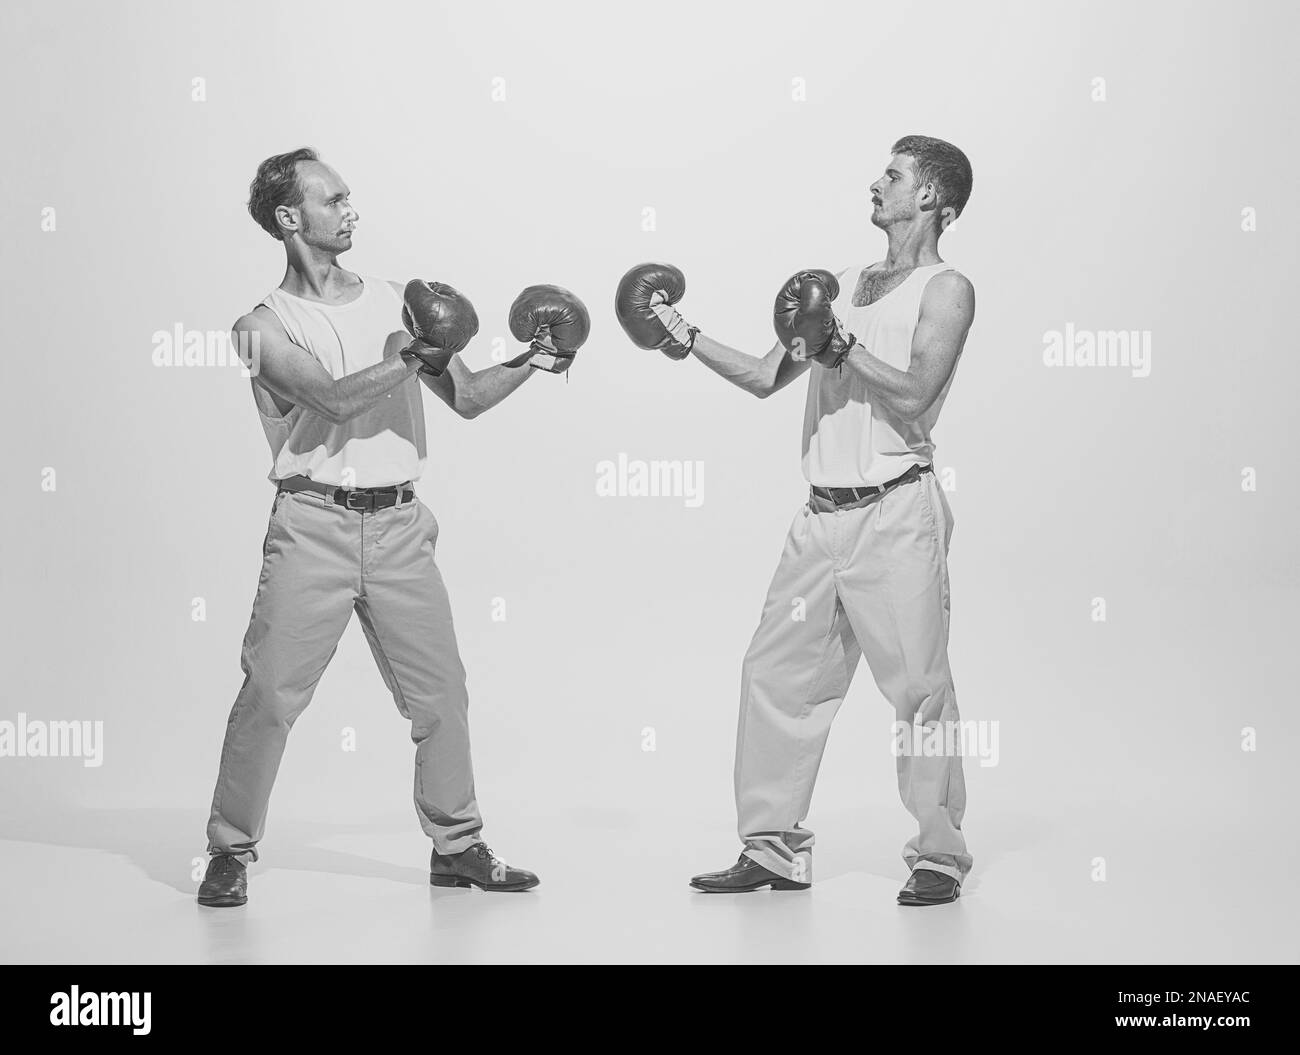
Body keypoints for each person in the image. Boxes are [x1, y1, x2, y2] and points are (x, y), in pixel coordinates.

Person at [197, 147, 572, 906]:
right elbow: (333, 400)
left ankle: (458, 845)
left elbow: (463, 397)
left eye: (349, 197)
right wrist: (417, 353)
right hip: (312, 526)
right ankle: (229, 850)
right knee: (270, 694)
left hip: (400, 524)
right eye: (332, 200)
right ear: (290, 218)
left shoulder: (401, 300)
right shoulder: (258, 327)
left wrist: (534, 358)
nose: (351, 210)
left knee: (442, 694)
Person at [616, 135, 977, 905]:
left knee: (920, 688)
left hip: (897, 512)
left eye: (895, 175)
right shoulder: (838, 284)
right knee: (774, 675)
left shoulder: (946, 289)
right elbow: (760, 377)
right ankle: (772, 847)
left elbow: (914, 393)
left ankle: (939, 851)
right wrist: (680, 332)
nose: (877, 183)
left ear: (933, 199)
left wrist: (841, 345)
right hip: (819, 519)